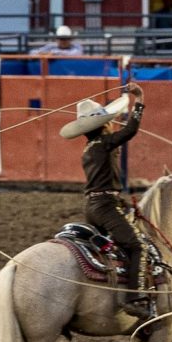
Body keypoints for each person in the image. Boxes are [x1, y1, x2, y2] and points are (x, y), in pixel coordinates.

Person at [60, 89, 153, 318]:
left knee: (114, 247)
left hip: (93, 206)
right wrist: (139, 101)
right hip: (106, 207)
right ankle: (134, 297)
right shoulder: (103, 143)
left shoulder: (90, 148)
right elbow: (130, 131)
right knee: (138, 246)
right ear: (104, 126)